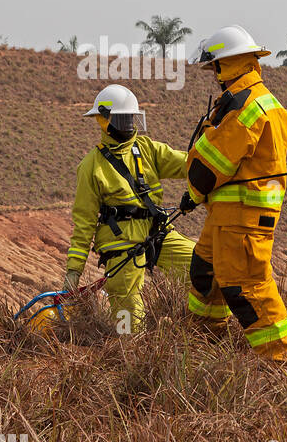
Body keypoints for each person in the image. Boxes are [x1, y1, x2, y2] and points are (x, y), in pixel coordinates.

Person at [183, 25, 287, 362]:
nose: (213, 77)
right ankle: (205, 343)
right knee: (204, 271)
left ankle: (282, 365)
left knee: (246, 290)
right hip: (228, 216)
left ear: (223, 65)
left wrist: (195, 190)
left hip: (241, 220)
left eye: (214, 68)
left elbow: (209, 167)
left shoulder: (244, 107)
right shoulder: (261, 101)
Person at [65, 84, 195, 330]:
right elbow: (84, 223)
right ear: (104, 121)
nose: (128, 124)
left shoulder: (147, 149)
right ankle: (132, 359)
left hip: (157, 233)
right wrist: (73, 271)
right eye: (122, 119)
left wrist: (224, 162)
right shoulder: (90, 167)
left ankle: (193, 329)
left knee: (203, 267)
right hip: (119, 244)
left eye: (130, 118)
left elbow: (191, 164)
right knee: (129, 318)